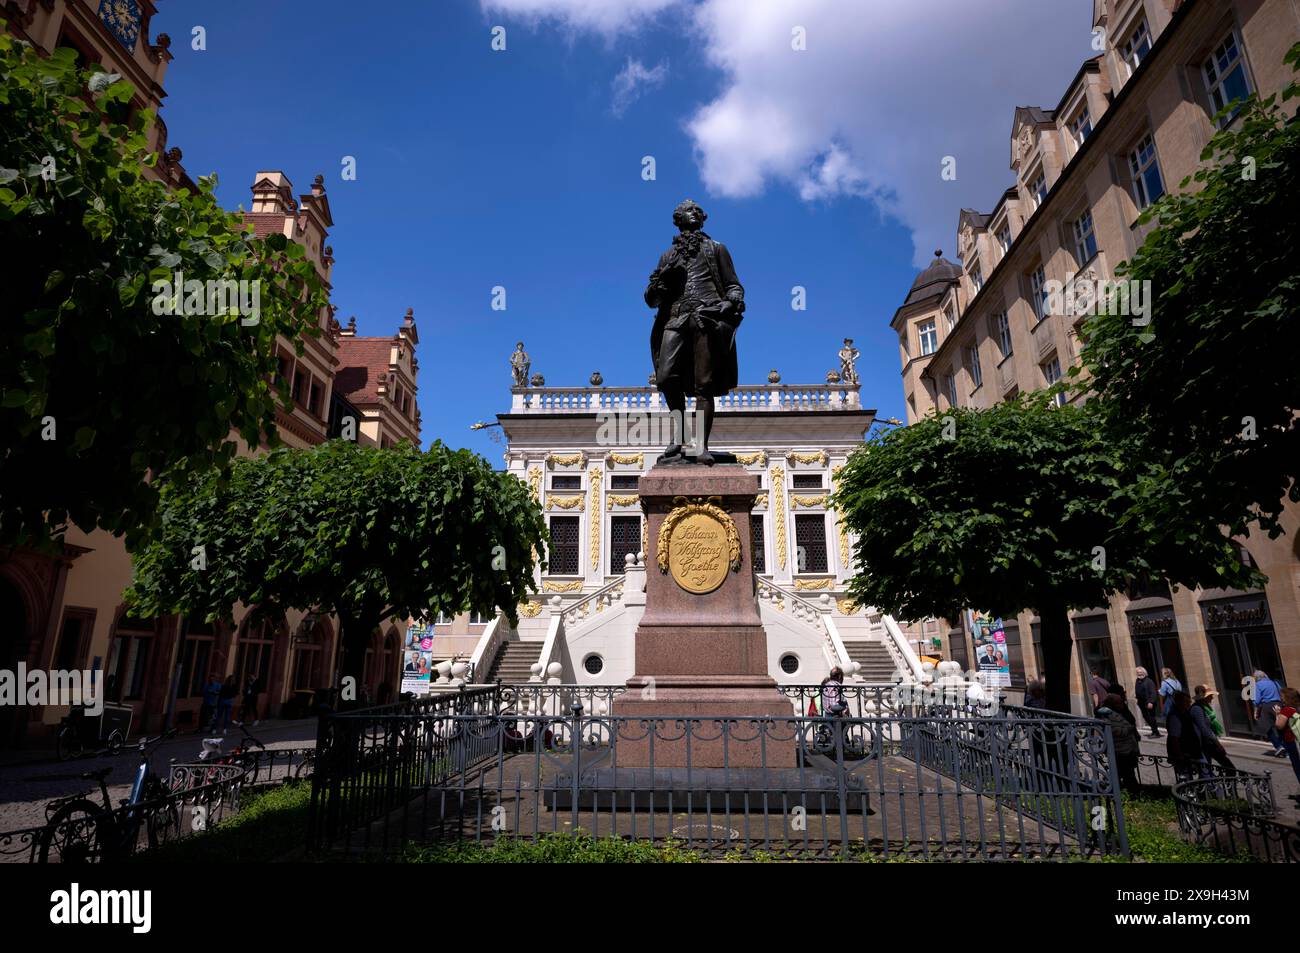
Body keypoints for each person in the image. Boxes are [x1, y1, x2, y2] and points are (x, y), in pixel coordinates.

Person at [1096, 693, 1140, 792]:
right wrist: (1130, 729)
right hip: (1120, 750)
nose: (1122, 704)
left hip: (1126, 749)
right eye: (1119, 703)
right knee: (1126, 775)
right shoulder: (1108, 715)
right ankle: (1126, 794)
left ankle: (1117, 791)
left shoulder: (1120, 713)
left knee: (1124, 774)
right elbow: (1116, 731)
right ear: (1113, 704)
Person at [1165, 691, 1209, 780]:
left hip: (1193, 750)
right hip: (1184, 753)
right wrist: (1180, 755)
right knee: (1186, 778)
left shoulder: (1185, 713)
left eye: (1189, 702)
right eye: (1186, 702)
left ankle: (1203, 792)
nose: (1189, 704)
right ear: (1178, 702)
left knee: (1204, 773)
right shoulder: (1175, 716)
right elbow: (1174, 738)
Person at [1191, 687, 1235, 773]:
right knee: (1226, 767)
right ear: (1204, 697)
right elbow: (1204, 729)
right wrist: (1217, 744)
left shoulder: (1203, 707)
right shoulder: (1197, 709)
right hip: (1205, 743)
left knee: (1208, 768)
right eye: (1210, 696)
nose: (1212, 698)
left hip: (1208, 742)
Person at [1250, 669, 1286, 757]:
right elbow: (1282, 693)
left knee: (1267, 728)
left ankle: (1278, 746)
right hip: (1278, 705)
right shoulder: (1274, 682)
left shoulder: (1258, 685)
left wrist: (1256, 710)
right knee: (1281, 727)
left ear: (1256, 678)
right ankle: (1284, 746)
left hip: (1267, 706)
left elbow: (1257, 701)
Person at [1274, 687, 1300, 785]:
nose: (1280, 698)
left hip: (1293, 742)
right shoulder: (1297, 708)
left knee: (1298, 766)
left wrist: (1277, 714)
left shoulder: (1287, 710)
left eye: (1281, 696)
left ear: (1286, 698)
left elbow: (1279, 726)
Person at [1134, 667, 1160, 737]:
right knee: (1146, 717)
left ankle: (1156, 732)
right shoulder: (1138, 680)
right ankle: (1153, 730)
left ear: (1144, 672)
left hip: (1148, 702)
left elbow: (1153, 692)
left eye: (1140, 672)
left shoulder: (1149, 681)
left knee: (1151, 717)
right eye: (1138, 672)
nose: (1139, 674)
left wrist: (1151, 702)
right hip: (1141, 702)